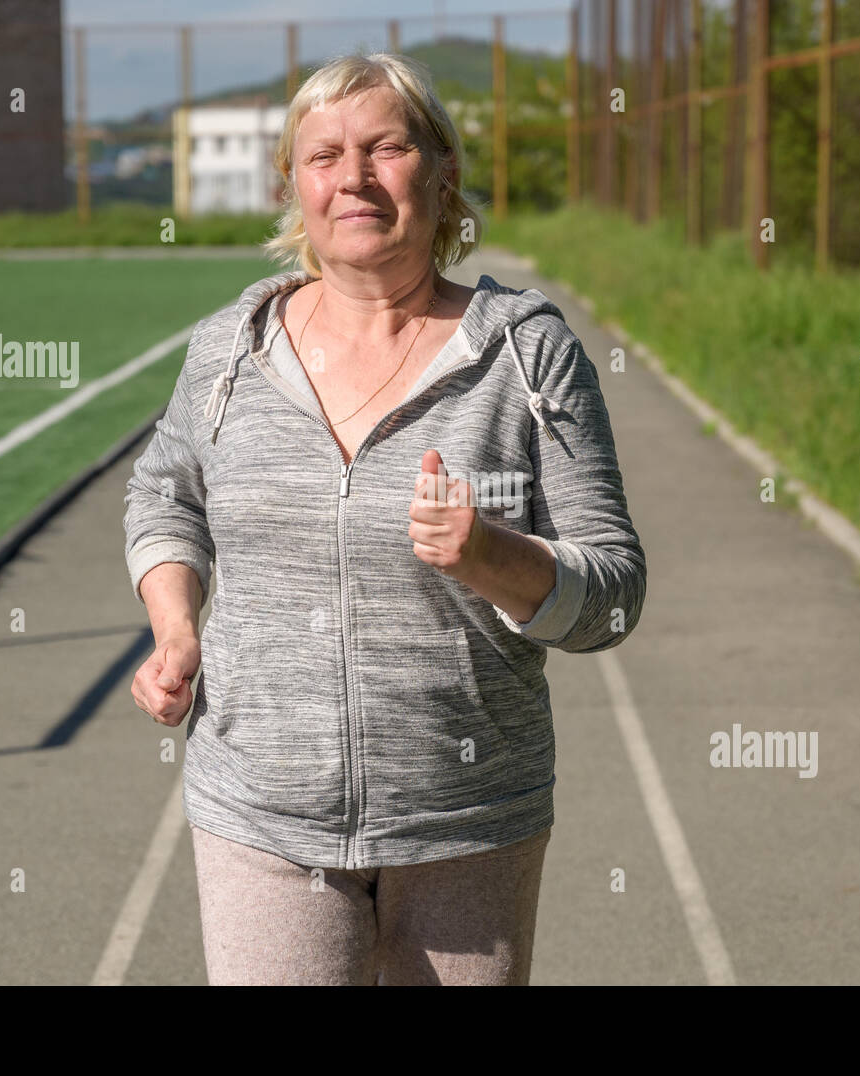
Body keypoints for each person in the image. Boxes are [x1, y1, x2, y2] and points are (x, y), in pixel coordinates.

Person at [123, 51, 646, 986]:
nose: (354, 178)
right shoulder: (228, 353)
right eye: (324, 156)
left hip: (467, 823)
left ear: (442, 174)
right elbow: (165, 493)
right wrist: (174, 627)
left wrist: (491, 557)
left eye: (386, 148)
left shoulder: (529, 357)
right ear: (295, 186)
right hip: (260, 812)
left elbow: (613, 597)